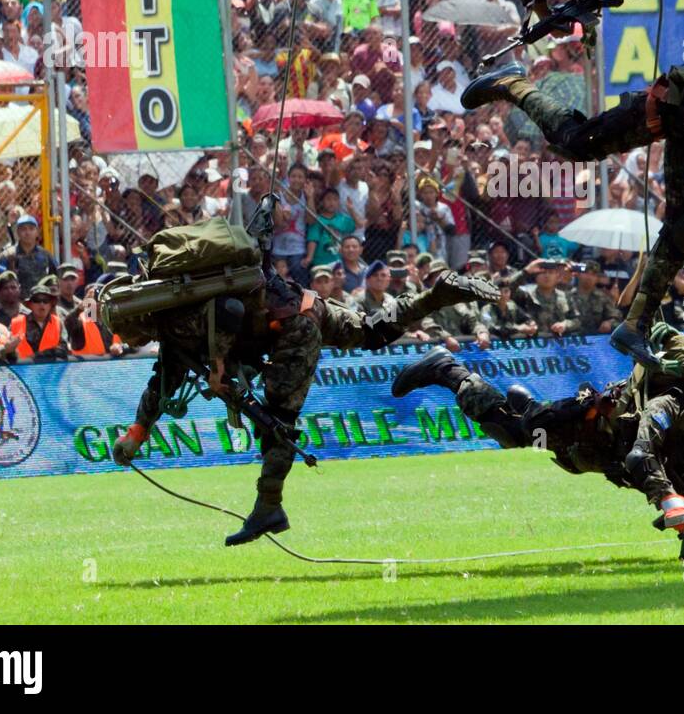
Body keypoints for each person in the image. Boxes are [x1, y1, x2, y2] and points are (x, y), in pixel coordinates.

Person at [111, 207, 500, 546]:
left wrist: (216, 367)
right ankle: (436, 295)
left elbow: (227, 311)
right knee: (369, 331)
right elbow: (163, 381)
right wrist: (136, 435)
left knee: (277, 422)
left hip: (292, 327)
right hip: (302, 303)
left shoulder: (174, 320)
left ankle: (269, 507)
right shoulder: (175, 312)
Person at [461, 14, 684, 366]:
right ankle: (513, 84)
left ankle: (635, 325)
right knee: (577, 142)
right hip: (672, 112)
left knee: (681, 229)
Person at [389, 324, 684, 557]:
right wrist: (669, 499)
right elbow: (642, 454)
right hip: (585, 430)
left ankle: (523, 405)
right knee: (514, 433)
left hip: (606, 455)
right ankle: (447, 369)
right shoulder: (667, 406)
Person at [0, 214, 58, 297]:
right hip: (16, 303)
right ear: (18, 232)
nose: (27, 233)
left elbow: (57, 275)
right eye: (23, 229)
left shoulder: (45, 255)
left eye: (31, 229)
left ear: (37, 232)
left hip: (40, 302)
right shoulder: (8, 255)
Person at [9, 278, 69, 361]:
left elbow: (63, 349)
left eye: (46, 301)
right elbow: (7, 351)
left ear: (51, 304)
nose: (42, 304)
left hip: (51, 371)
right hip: (22, 372)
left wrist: (38, 356)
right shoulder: (15, 323)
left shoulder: (58, 323)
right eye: (37, 300)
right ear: (30, 304)